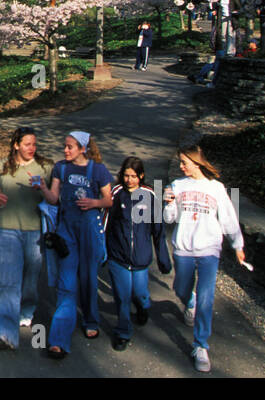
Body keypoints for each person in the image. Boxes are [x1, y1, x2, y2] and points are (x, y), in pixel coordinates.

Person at [162, 144, 247, 373]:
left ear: (196, 162)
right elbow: (169, 219)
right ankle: (189, 301)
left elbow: (228, 217)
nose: (181, 166)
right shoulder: (177, 185)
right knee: (181, 288)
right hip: (183, 247)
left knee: (207, 298)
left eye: (184, 162)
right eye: (180, 162)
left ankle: (200, 346)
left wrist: (238, 245)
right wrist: (169, 203)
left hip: (209, 248)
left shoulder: (216, 188)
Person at [37, 130, 112, 359]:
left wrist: (94, 202)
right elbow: (54, 199)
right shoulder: (61, 168)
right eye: (65, 146)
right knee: (66, 282)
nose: (65, 150)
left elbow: (109, 200)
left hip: (89, 229)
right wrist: (42, 186)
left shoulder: (98, 170)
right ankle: (58, 339)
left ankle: (90, 319)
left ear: (83, 148)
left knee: (89, 278)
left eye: (70, 147)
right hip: (66, 229)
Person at [0, 127, 54, 349]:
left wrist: (43, 188)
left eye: (34, 144)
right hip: (6, 228)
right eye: (27, 144)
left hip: (35, 230)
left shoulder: (45, 167)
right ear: (16, 145)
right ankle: (5, 333)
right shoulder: (1, 166)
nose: (32, 148)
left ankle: (26, 309)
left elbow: (55, 198)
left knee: (31, 277)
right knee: (7, 279)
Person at [104, 156, 171, 351]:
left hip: (141, 258)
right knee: (122, 296)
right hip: (118, 256)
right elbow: (105, 224)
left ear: (141, 176)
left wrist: (163, 260)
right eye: (126, 175)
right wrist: (103, 253)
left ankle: (142, 306)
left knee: (140, 293)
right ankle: (123, 332)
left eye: (133, 176)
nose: (129, 180)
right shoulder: (116, 193)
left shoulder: (150, 195)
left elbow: (158, 230)